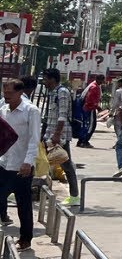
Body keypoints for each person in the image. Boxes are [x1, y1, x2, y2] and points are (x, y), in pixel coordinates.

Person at [0, 80, 39, 250]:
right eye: (4, 93)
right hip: (3, 162)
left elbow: (34, 139)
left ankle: (25, 239)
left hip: (21, 166)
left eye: (9, 94)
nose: (6, 96)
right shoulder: (3, 108)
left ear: (20, 92)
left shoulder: (31, 111)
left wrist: (28, 162)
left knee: (23, 204)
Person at [40, 69, 79, 206]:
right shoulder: (52, 93)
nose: (44, 82)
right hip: (50, 134)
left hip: (59, 136)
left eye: (45, 79)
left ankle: (74, 197)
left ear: (52, 79)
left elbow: (62, 115)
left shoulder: (62, 92)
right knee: (41, 161)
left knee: (66, 165)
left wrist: (57, 135)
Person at [76, 75, 102, 148]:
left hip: (87, 108)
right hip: (90, 108)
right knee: (91, 125)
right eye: (101, 80)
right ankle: (84, 141)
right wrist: (97, 106)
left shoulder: (92, 85)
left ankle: (81, 141)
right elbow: (90, 99)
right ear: (98, 79)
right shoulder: (94, 87)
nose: (102, 82)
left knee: (86, 124)